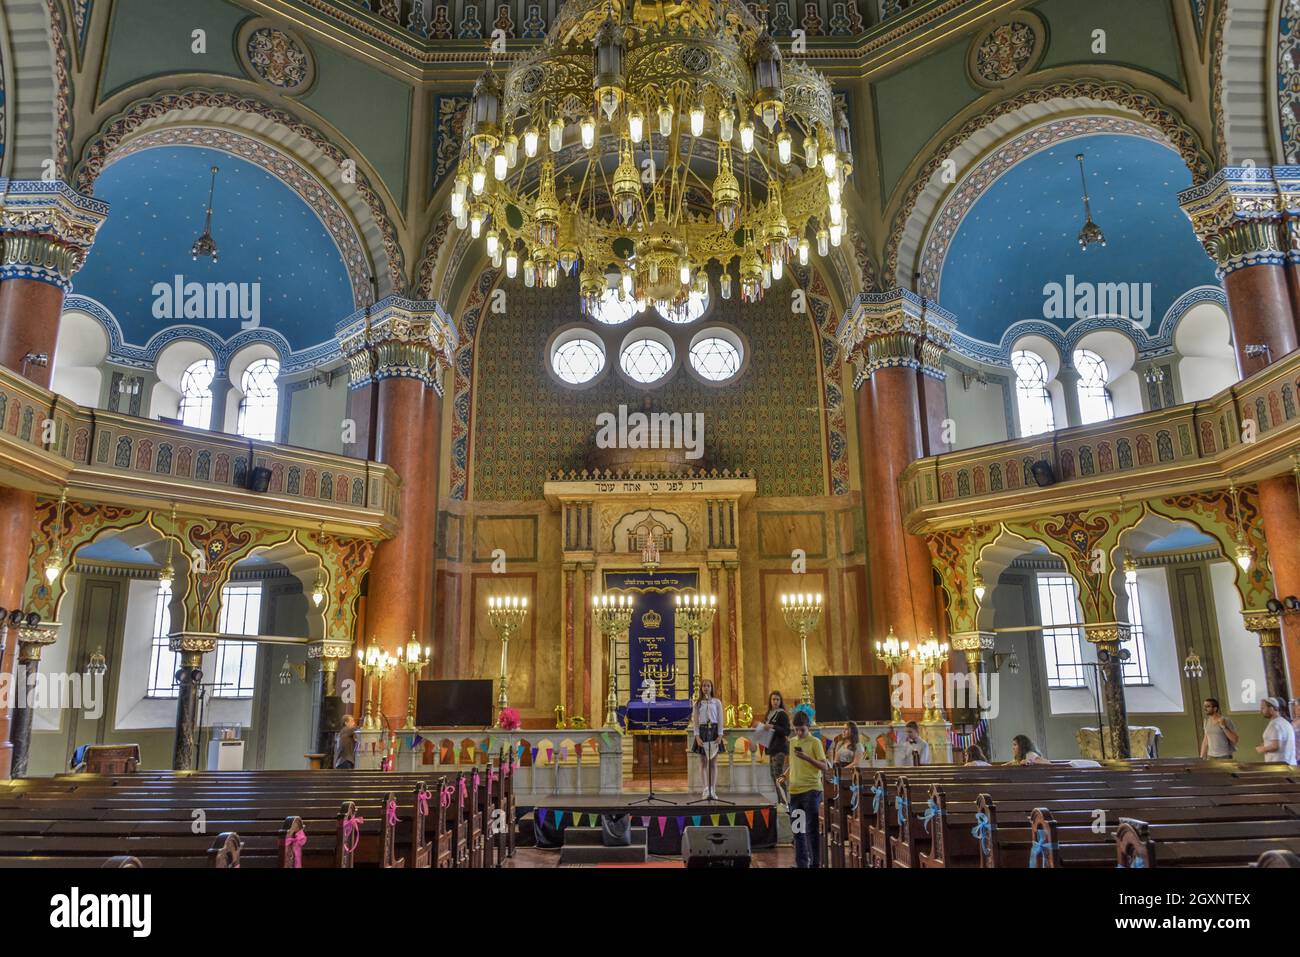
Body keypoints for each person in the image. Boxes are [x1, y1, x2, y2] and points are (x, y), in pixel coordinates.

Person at [788, 710, 830, 868]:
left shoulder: (815, 742)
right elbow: (794, 762)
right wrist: (785, 775)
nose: (798, 733)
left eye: (802, 730)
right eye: (796, 729)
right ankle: (801, 864)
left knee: (812, 830)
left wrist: (807, 757)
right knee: (797, 831)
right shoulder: (792, 742)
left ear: (808, 727)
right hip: (794, 791)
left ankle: (815, 864)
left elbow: (824, 766)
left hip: (811, 791)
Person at [690, 678, 726, 800]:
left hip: (714, 732)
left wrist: (720, 735)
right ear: (701, 688)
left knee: (713, 763)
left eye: (708, 686)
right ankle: (705, 789)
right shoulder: (698, 703)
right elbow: (695, 721)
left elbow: (721, 719)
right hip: (703, 732)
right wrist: (697, 736)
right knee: (703, 762)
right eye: (704, 686)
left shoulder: (717, 702)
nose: (706, 688)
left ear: (711, 688)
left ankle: (713, 789)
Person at [763, 690, 791, 809]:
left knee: (778, 774)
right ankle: (780, 801)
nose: (775, 702)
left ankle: (784, 801)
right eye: (773, 699)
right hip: (772, 747)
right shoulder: (769, 714)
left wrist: (773, 726)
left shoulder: (782, 714)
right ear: (770, 701)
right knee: (773, 775)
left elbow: (786, 731)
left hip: (780, 748)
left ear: (780, 701)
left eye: (777, 700)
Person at [1257, 697, 1296, 764]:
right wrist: (1266, 744)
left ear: (1271, 709)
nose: (1261, 711)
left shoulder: (1275, 725)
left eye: (1263, 708)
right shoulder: (1284, 722)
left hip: (1279, 766)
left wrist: (1262, 749)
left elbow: (1275, 746)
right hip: (1288, 764)